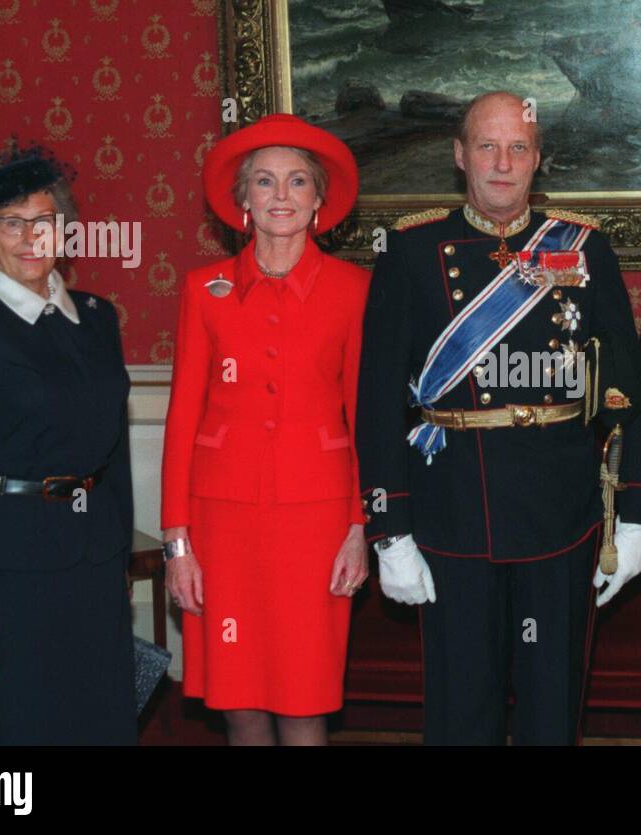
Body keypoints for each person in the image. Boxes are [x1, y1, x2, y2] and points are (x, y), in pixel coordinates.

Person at [355, 91, 641, 745]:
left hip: (561, 517)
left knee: (554, 710)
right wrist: (389, 530)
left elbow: (623, 394)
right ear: (459, 156)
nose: (502, 161)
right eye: (487, 146)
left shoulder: (582, 248)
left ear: (537, 160)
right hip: (451, 516)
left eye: (518, 147)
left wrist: (634, 517)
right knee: (461, 712)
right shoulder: (411, 251)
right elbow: (380, 404)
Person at [160, 114, 369, 746]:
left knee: (305, 699)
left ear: (318, 201)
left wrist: (361, 528)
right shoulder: (205, 290)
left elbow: (366, 419)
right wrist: (178, 543)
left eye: (298, 181)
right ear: (242, 200)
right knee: (239, 697)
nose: (281, 195)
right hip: (221, 524)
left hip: (319, 522)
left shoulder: (356, 290)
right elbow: (181, 418)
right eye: (265, 182)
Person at [0, 145, 136, 744]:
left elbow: (111, 453)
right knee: (20, 727)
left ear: (64, 231)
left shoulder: (96, 318)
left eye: (44, 220)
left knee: (96, 718)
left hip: (92, 562)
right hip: (7, 568)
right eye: (11, 223)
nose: (30, 236)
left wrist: (118, 557)